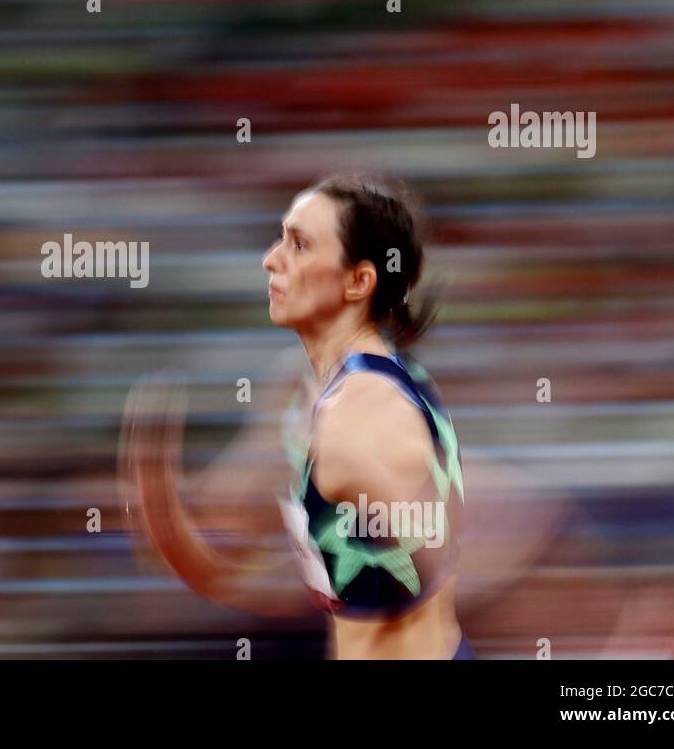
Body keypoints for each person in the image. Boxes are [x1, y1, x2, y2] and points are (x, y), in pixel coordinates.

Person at [120, 173, 472, 659]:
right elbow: (310, 572)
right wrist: (178, 536)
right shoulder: (309, 393)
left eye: (300, 245)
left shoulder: (362, 415)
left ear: (359, 281)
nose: (272, 259)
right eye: (281, 237)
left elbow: (429, 555)